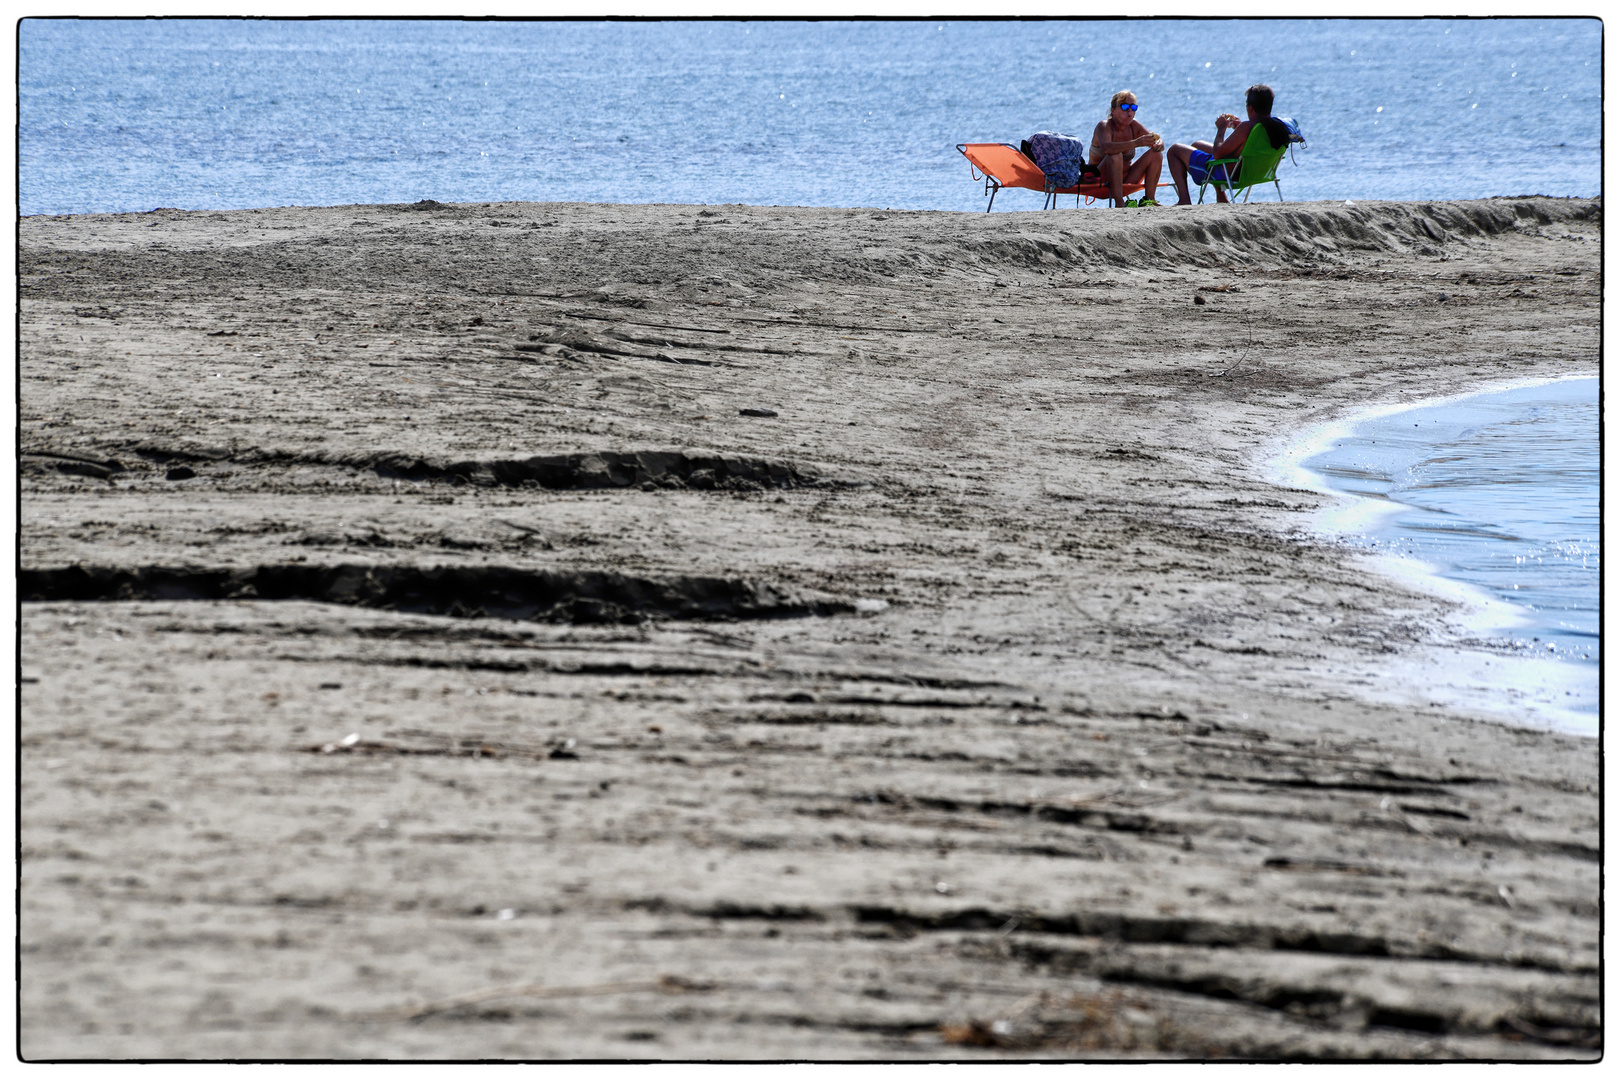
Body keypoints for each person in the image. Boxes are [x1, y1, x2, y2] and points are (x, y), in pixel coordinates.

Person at [1166, 83, 1291, 205]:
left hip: (1229, 175)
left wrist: (1221, 129)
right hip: (1256, 173)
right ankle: (1222, 198)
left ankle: (1184, 199)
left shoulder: (1247, 127)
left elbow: (1218, 154)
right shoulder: (1274, 127)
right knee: (1197, 145)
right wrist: (1238, 130)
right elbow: (1244, 150)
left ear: (1250, 108)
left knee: (1174, 150)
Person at [1089, 90, 1164, 208]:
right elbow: (1106, 148)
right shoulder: (1104, 126)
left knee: (1156, 154)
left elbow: (1156, 142)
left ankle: (1149, 200)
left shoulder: (1134, 126)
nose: (1130, 111)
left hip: (1126, 179)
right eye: (1124, 107)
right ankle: (1120, 202)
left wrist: (1158, 143)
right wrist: (1136, 143)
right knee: (1115, 154)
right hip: (1100, 181)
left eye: (1133, 107)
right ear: (1113, 111)